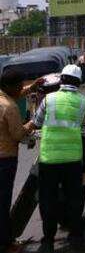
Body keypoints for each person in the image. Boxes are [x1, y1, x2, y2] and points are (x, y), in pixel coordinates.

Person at [32, 65, 85, 252]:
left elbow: (38, 122)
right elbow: (81, 128)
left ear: (61, 80)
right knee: (74, 199)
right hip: (72, 158)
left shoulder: (49, 99)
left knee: (48, 199)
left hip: (49, 158)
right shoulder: (83, 101)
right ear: (79, 83)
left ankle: (48, 241)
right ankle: (76, 239)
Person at [0, 72, 38, 253]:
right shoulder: (10, 107)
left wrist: (31, 87)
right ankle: (7, 244)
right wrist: (33, 122)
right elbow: (18, 134)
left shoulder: (3, 98)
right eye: (18, 86)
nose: (19, 89)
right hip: (5, 159)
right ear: (9, 86)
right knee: (3, 202)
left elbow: (15, 92)